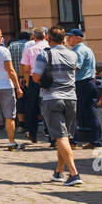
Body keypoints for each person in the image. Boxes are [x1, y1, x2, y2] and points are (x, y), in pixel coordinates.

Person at [32, 26, 81, 187]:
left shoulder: (44, 54)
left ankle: (73, 173)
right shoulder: (73, 54)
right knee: (64, 136)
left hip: (51, 97)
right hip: (71, 98)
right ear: (64, 39)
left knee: (60, 137)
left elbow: (36, 77)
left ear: (48, 39)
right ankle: (59, 171)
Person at [66, 29, 100, 149]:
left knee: (74, 112)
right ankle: (95, 141)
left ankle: (72, 141)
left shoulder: (78, 50)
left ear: (78, 38)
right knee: (92, 112)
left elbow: (76, 67)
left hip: (80, 83)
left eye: (70, 37)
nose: (68, 39)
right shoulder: (87, 49)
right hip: (90, 82)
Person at [18, 28, 49, 142]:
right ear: (45, 36)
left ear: (33, 37)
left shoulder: (30, 49)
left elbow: (26, 68)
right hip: (49, 77)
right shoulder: (49, 47)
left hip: (33, 78)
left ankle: (32, 133)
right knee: (49, 104)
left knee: (32, 106)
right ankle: (51, 133)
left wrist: (27, 81)